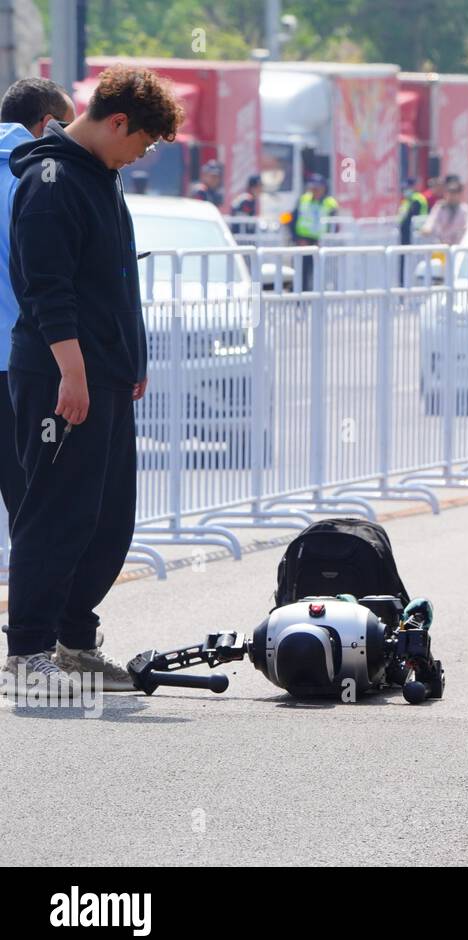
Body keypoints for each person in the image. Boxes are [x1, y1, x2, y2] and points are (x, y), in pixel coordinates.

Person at [0, 66, 184, 699]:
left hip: (104, 372)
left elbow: (115, 280)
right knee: (54, 513)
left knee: (107, 518)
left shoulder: (103, 176)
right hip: (59, 375)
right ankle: (27, 652)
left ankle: (74, 644)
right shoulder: (50, 182)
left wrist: (130, 359)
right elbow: (47, 291)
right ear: (117, 122)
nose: (145, 154)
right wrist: (73, 374)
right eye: (146, 141)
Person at [0, 77, 75, 526]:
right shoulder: (39, 179)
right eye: (67, 125)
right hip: (23, 365)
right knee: (38, 509)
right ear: (46, 124)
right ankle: (43, 599)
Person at [291, 173, 338, 290]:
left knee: (321, 274)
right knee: (301, 272)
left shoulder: (330, 203)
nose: (315, 190)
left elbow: (335, 226)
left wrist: (326, 241)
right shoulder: (303, 199)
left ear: (324, 188)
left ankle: (318, 302)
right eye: (312, 187)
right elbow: (293, 220)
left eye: (318, 187)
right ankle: (300, 302)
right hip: (303, 243)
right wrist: (297, 239)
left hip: (322, 244)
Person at [421, 174, 468, 246]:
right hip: (441, 247)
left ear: (459, 194)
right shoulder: (440, 207)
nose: (451, 196)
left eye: (454, 193)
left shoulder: (464, 210)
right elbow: (431, 220)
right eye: (448, 192)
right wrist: (427, 228)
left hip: (458, 248)